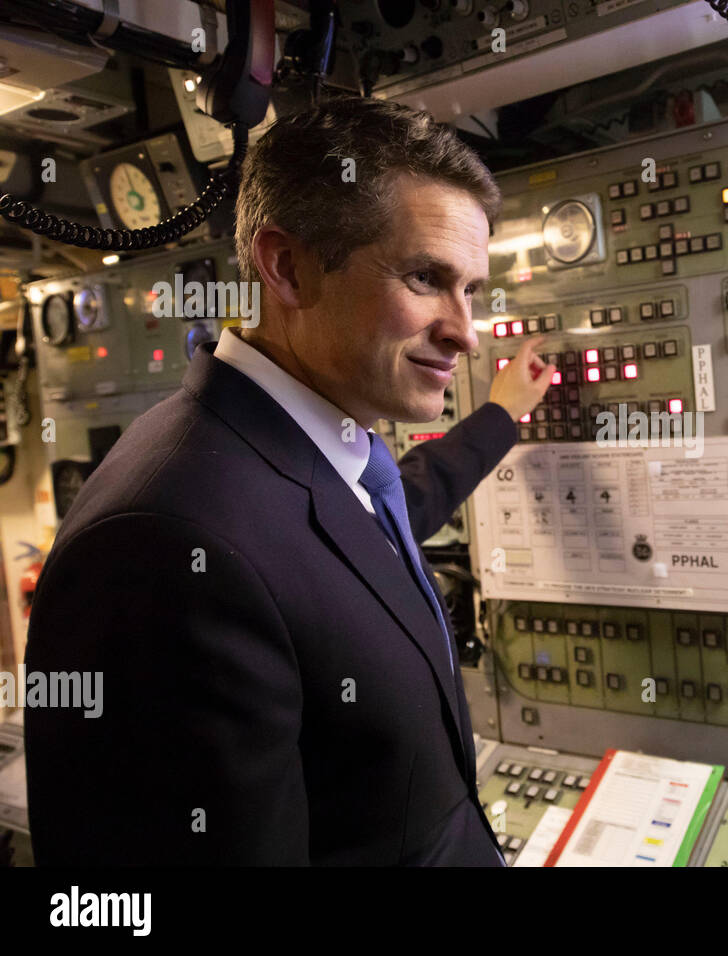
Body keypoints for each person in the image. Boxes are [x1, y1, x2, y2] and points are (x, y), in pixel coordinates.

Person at [24, 96, 554, 864]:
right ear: (288, 267)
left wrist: (500, 419)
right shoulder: (165, 545)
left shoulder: (300, 453)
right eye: (425, 278)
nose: (465, 331)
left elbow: (376, 525)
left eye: (469, 289)